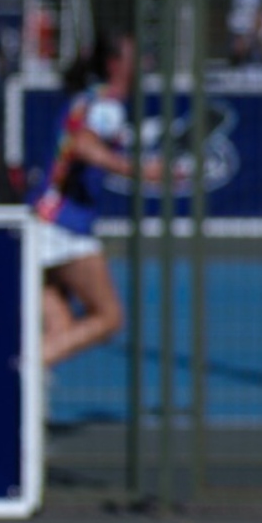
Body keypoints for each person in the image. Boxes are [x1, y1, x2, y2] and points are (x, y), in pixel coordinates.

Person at [31, 30, 154, 368]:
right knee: (109, 317)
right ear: (116, 65)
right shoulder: (107, 106)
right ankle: (16, 371)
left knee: (60, 329)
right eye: (135, 57)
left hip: (43, 219)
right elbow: (84, 146)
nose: (144, 63)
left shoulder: (89, 99)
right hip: (64, 225)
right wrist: (138, 169)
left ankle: (25, 409)